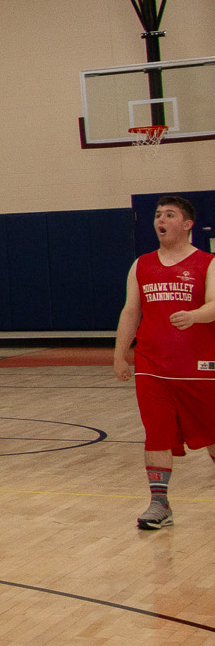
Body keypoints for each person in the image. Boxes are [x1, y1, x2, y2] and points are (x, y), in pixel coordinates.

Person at [113, 194, 215, 530]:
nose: (161, 220)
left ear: (187, 225)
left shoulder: (208, 262)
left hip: (199, 367)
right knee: (156, 434)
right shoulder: (141, 264)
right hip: (152, 365)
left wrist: (196, 315)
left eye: (169, 215)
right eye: (158, 214)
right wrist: (120, 354)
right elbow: (131, 310)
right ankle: (160, 503)